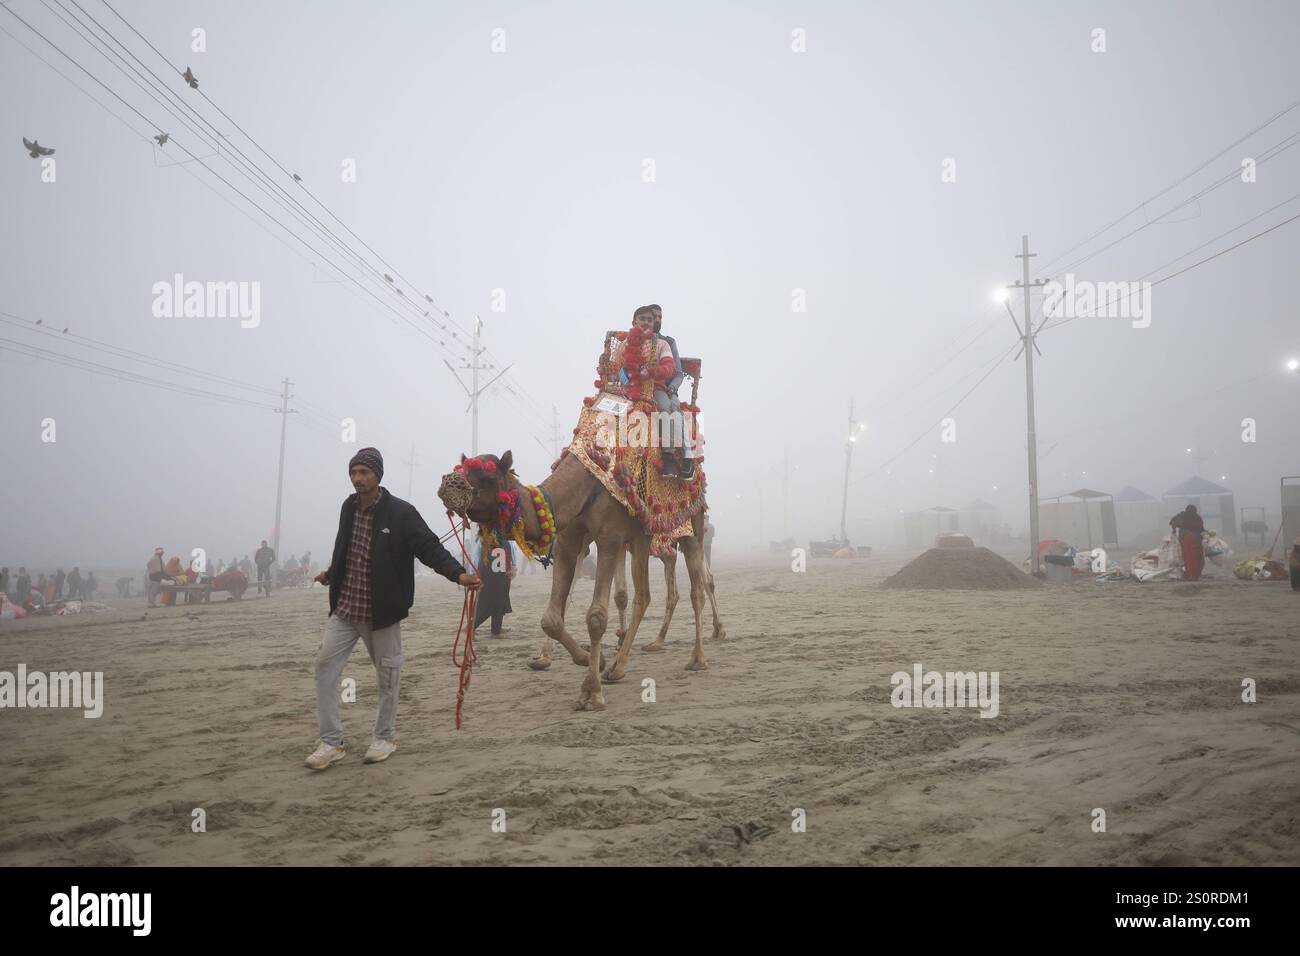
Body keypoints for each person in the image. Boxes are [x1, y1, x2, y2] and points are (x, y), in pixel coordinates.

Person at [305, 447, 480, 771]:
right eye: (354, 472)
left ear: (377, 476)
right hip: (345, 610)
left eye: (364, 472)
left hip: (381, 613)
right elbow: (346, 547)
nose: (358, 478)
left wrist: (457, 574)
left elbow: (429, 547)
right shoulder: (348, 507)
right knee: (324, 670)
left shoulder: (401, 513)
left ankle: (384, 737)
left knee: (387, 676)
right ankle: (331, 741)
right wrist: (331, 574)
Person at [475, 537, 515, 637]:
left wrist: (511, 568)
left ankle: (496, 630)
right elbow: (477, 559)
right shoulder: (486, 541)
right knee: (487, 606)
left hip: (501, 577)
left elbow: (509, 556)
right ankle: (471, 627)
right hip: (491, 578)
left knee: (499, 604)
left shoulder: (504, 541)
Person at [1170, 504, 1206, 581]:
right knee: (1196, 557)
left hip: (1189, 539)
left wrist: (1174, 531)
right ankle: (1194, 575)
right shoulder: (1197, 517)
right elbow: (1202, 529)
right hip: (1193, 539)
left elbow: (1173, 521)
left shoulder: (1183, 515)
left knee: (1189, 557)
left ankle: (1191, 575)